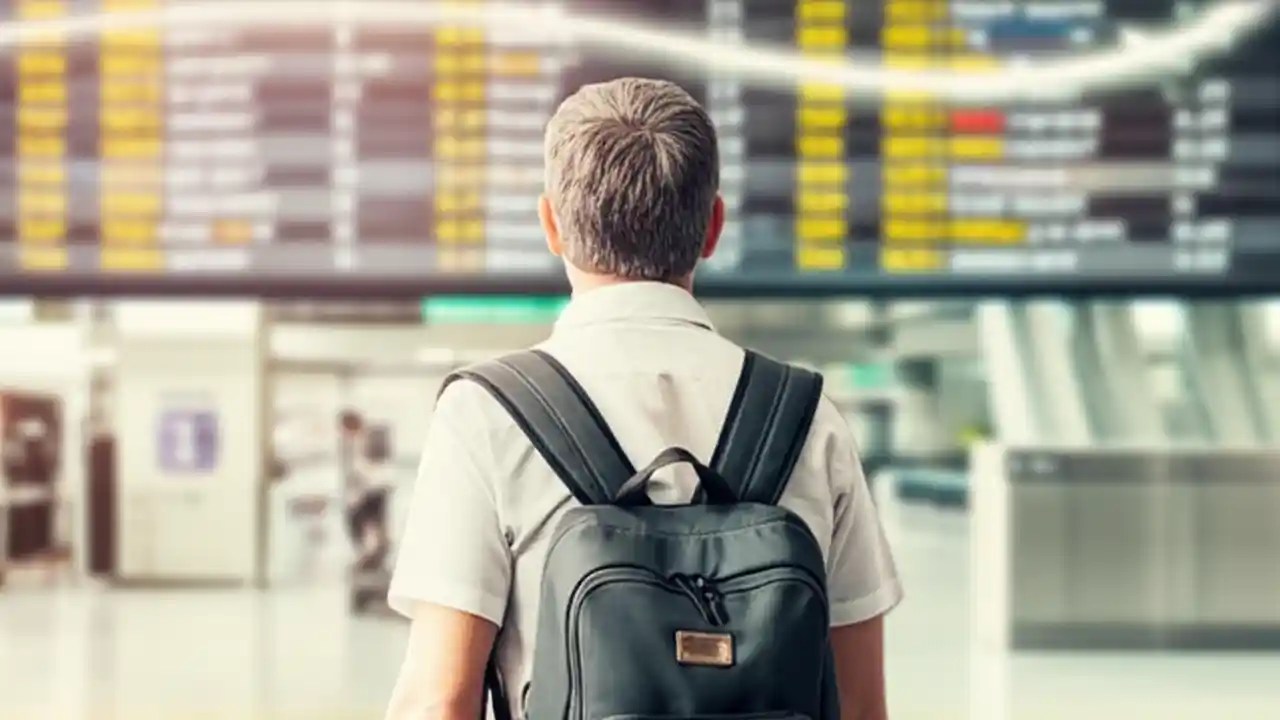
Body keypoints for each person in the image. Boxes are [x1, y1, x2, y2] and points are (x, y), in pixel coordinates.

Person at [385, 78, 902, 720]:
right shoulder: (807, 418)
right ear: (713, 226)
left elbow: (440, 701)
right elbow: (862, 706)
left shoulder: (487, 415)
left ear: (552, 224)